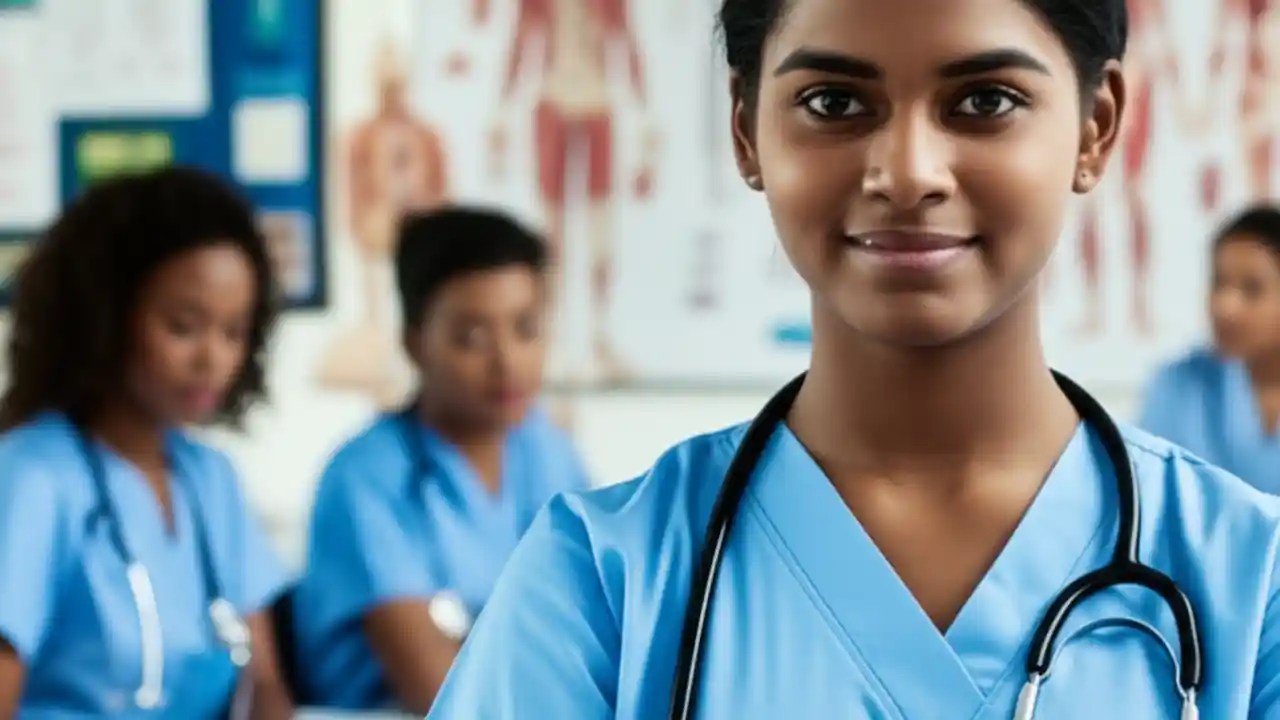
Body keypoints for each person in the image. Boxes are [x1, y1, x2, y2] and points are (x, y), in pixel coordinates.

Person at [429, 0, 1280, 716]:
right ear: (746, 129)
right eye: (834, 102)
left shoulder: (1256, 580)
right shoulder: (600, 586)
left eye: (984, 100)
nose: (907, 173)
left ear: (1096, 127)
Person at [0, 168, 293, 719]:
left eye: (234, 331)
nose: (212, 359)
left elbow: (264, 684)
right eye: (183, 327)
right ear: (106, 316)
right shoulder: (32, 476)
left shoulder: (212, 480)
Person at [291, 207, 590, 714]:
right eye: (472, 337)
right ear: (414, 343)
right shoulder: (365, 479)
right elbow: (439, 690)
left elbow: (595, 630)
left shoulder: (546, 451)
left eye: (526, 328)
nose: (507, 361)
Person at [486, 0, 657, 383]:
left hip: (596, 103)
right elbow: (521, 43)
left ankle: (599, 334)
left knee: (599, 224)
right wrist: (502, 108)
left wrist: (645, 114)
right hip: (554, 101)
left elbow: (627, 44)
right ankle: (554, 338)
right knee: (553, 228)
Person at [318, 40, 450, 408]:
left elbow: (439, 183)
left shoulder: (425, 134)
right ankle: (378, 351)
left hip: (419, 224)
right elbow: (352, 184)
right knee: (377, 290)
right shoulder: (363, 135)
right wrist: (356, 220)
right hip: (377, 224)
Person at [1139, 206, 1280, 493]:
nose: (1225, 306)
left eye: (1252, 289)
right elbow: (1147, 493)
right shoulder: (1178, 384)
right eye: (1219, 282)